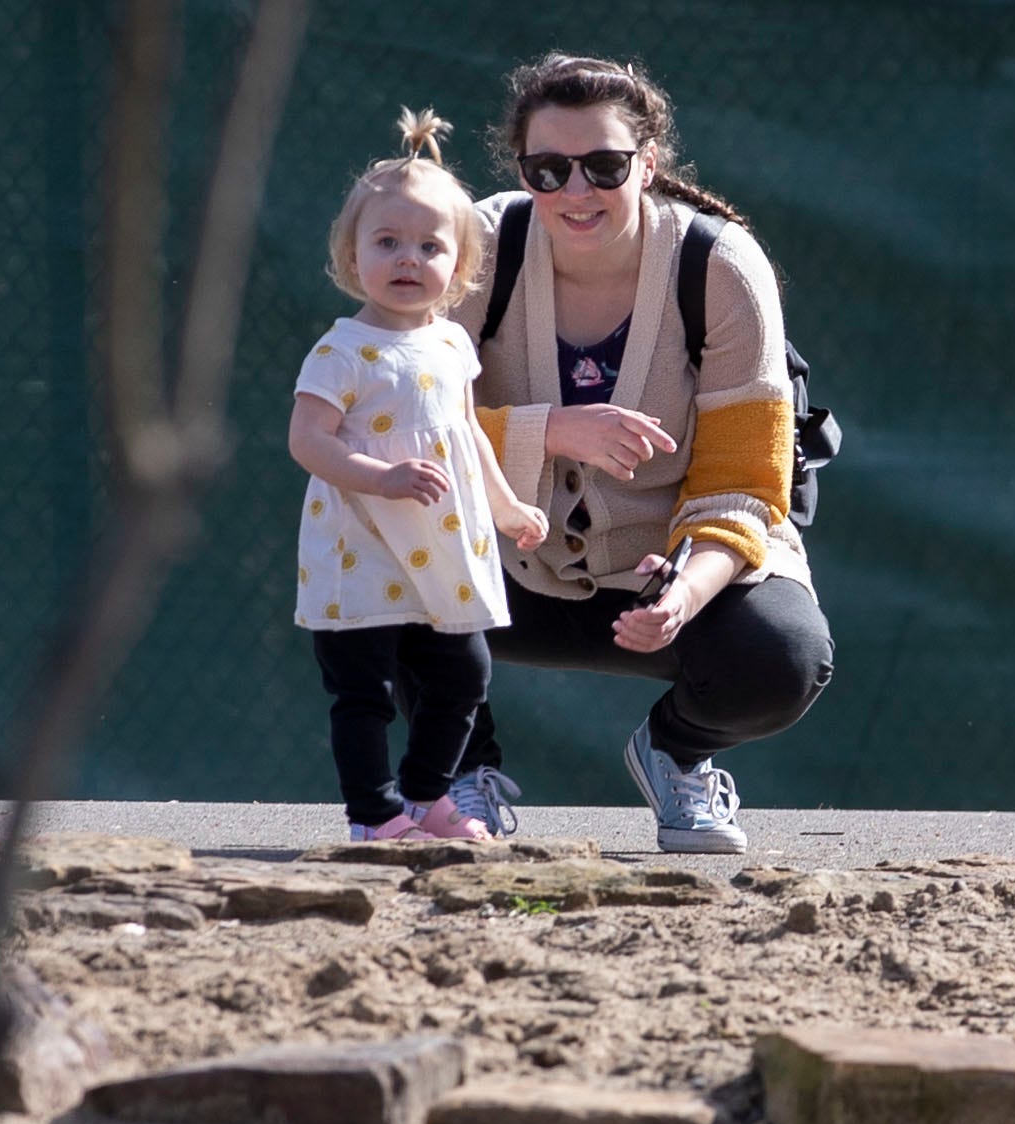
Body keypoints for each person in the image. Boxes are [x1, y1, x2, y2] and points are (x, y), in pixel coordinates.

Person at [446, 53, 834, 853]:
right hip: (504, 573)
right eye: (547, 169)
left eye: (604, 166)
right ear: (521, 170)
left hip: (670, 579)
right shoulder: (479, 246)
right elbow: (401, 418)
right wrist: (547, 430)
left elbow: (745, 484)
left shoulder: (721, 265)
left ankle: (677, 756)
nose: (574, 191)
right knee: (370, 539)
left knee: (784, 657)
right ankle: (454, 776)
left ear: (648, 163)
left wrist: (685, 594)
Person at [290, 111, 549, 844]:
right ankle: (373, 816)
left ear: (461, 266)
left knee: (464, 675)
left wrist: (507, 510)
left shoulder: (450, 345)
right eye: (387, 242)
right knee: (364, 694)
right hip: (360, 549)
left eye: (430, 246)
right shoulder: (341, 351)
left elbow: (467, 436)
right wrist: (380, 475)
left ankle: (427, 799)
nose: (409, 258)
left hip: (443, 551)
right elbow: (307, 440)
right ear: (352, 254)